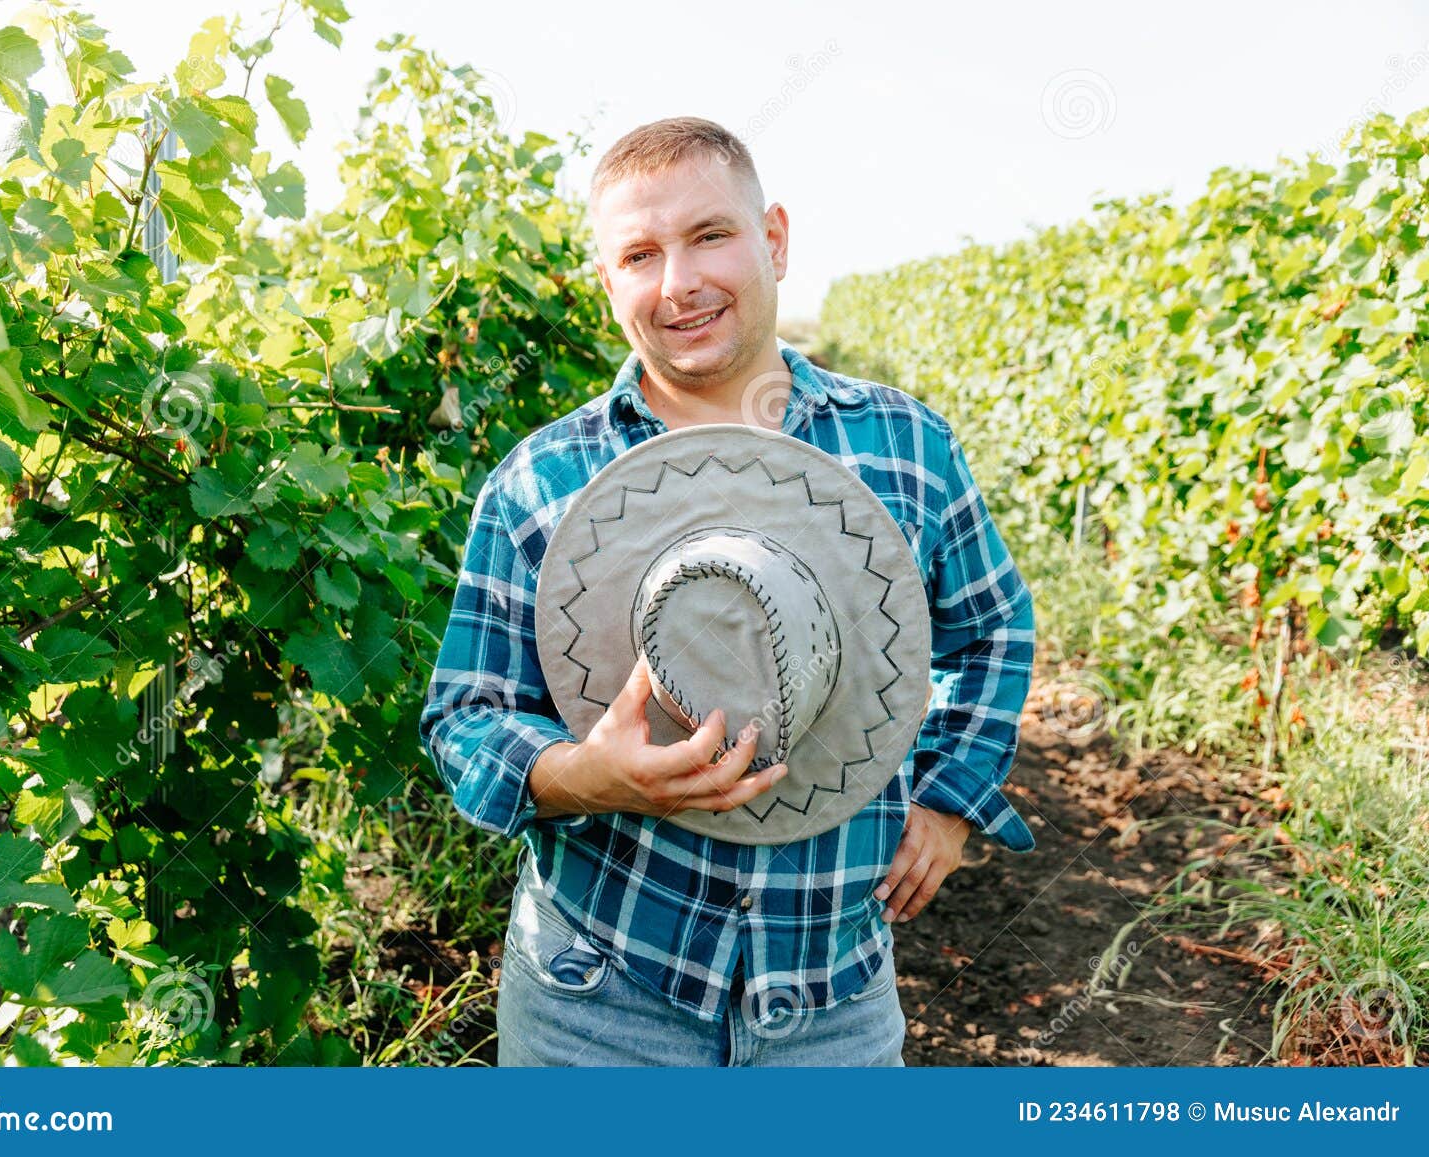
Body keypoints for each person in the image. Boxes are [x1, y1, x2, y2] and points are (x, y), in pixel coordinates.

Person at [418, 116, 1037, 1066]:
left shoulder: (906, 447)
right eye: (639, 254)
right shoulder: (541, 479)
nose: (679, 284)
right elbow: (466, 713)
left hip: (834, 1004)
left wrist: (953, 799)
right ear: (608, 283)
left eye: (710, 235)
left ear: (775, 238)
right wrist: (583, 775)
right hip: (597, 1004)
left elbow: (990, 629)